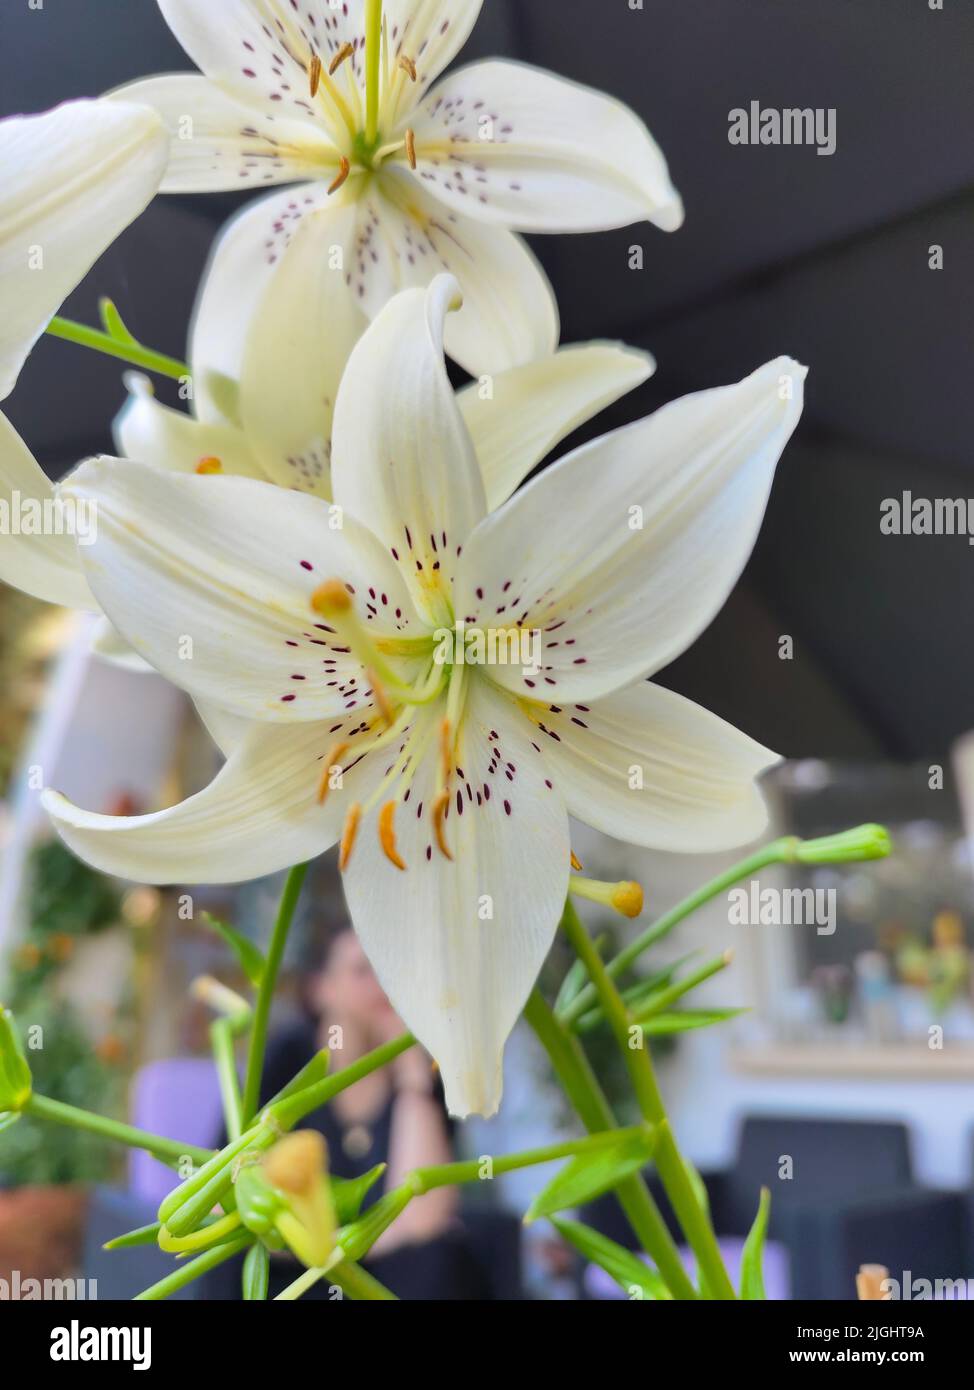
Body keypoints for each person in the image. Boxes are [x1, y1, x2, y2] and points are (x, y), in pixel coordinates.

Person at [209, 924, 489, 1300]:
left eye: (391, 972)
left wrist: (411, 1076)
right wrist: (334, 1249)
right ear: (322, 989)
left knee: (440, 1259)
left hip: (383, 1268)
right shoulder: (284, 1061)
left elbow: (426, 1219)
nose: (382, 986)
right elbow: (225, 1197)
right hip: (291, 1268)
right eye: (362, 971)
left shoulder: (423, 1075)